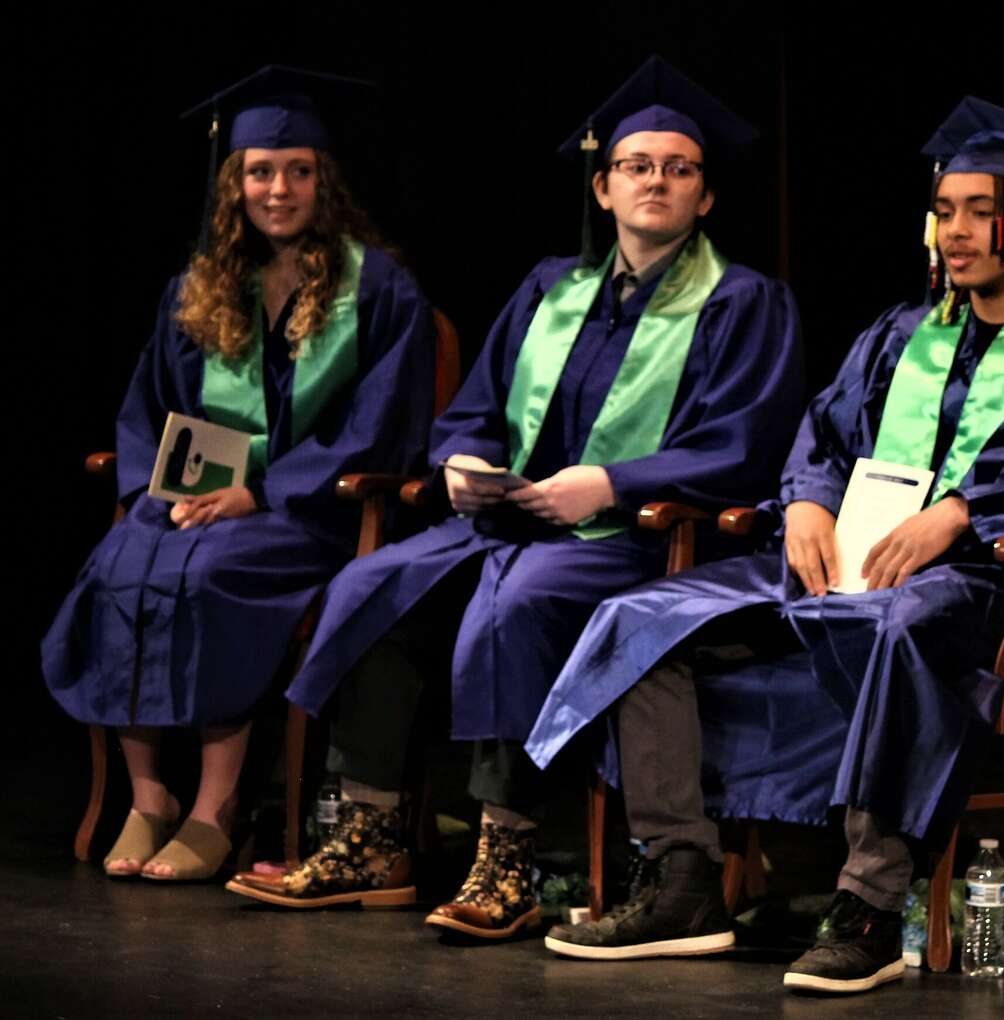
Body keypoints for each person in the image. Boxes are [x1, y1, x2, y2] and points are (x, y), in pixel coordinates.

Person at [526, 97, 1004, 990]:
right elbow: (820, 440)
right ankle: (681, 878)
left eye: (982, 210)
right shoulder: (901, 334)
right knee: (643, 615)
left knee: (906, 626)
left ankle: (867, 903)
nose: (958, 232)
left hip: (979, 586)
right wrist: (810, 503)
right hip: (843, 566)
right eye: (944, 212)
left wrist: (967, 511)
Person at [225, 57, 805, 932]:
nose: (656, 180)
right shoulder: (551, 288)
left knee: (519, 604)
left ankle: (508, 858)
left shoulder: (747, 303)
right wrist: (462, 462)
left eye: (678, 168)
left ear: (706, 198)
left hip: (644, 542)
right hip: (515, 523)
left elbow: (744, 446)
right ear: (602, 188)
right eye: (635, 165)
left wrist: (606, 484)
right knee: (376, 585)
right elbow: (477, 411)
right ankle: (371, 835)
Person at [42, 66, 436, 882]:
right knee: (120, 568)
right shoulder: (198, 287)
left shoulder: (379, 289)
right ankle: (148, 799)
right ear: (236, 183)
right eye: (261, 171)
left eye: (298, 170)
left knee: (215, 575)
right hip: (196, 498)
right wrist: (163, 489)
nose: (279, 189)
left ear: (323, 180)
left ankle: (215, 810)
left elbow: (382, 427)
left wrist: (257, 492)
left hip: (307, 513)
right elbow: (147, 405)